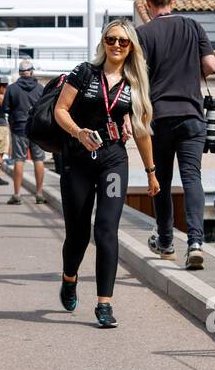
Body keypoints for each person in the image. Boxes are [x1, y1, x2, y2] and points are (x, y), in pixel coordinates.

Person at [52, 20, 158, 328]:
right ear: (103, 42)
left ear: (131, 48)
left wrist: (151, 172)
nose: (116, 45)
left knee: (106, 229)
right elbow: (61, 110)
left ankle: (104, 304)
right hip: (78, 159)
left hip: (113, 160)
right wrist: (78, 131)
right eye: (111, 39)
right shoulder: (84, 72)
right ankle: (69, 278)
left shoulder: (134, 83)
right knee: (78, 234)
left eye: (123, 41)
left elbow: (141, 131)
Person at [137, 0, 215, 270]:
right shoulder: (193, 26)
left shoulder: (143, 34)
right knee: (191, 178)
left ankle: (166, 241)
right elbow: (211, 66)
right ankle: (195, 242)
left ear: (148, 3)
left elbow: (138, 77)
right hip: (192, 116)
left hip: (159, 118)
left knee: (162, 181)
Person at [4, 60, 47, 205]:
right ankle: (39, 194)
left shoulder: (12, 88)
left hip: (19, 128)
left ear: (20, 73)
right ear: (32, 71)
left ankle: (17, 194)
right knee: (39, 160)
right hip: (37, 129)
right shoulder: (40, 88)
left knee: (19, 160)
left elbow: (6, 109)